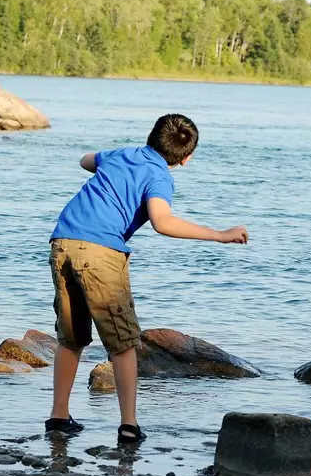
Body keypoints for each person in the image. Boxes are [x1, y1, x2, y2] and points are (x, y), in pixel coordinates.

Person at [46, 114, 248, 445]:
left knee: (71, 337)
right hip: (100, 252)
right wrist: (218, 235)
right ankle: (129, 426)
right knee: (124, 343)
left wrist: (109, 172)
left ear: (151, 136)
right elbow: (162, 221)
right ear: (186, 158)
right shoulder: (159, 176)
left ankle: (58, 417)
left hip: (62, 242)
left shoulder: (123, 154)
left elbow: (85, 160)